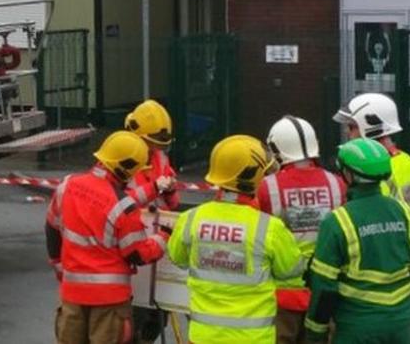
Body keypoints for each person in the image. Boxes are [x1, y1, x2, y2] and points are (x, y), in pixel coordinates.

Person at [168, 134, 305, 344]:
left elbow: (177, 258)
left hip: (204, 338)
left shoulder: (191, 219)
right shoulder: (269, 228)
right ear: (253, 177)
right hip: (253, 339)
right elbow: (292, 271)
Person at [46, 131, 170, 343]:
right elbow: (138, 254)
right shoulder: (124, 208)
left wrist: (59, 268)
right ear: (127, 169)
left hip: (72, 294)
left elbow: (52, 229)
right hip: (110, 301)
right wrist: (163, 237)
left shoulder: (67, 186)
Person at [304, 138, 410, 343]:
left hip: (356, 329)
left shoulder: (337, 222)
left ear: (349, 175)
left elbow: (324, 287)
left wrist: (315, 332)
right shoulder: (407, 214)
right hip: (401, 325)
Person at [258, 114, 347, 344]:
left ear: (277, 150)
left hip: (282, 295)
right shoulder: (336, 183)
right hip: (323, 292)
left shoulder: (268, 187)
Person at [122, 99, 180, 342]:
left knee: (158, 315)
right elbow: (117, 205)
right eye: (151, 143)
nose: (154, 149)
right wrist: (153, 189)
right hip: (131, 244)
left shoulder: (160, 159)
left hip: (158, 241)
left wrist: (168, 191)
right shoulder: (121, 158)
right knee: (133, 316)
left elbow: (173, 203)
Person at [334, 92, 410, 221]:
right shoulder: (407, 160)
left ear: (371, 127)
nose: (346, 131)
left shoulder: (371, 167)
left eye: (351, 126)